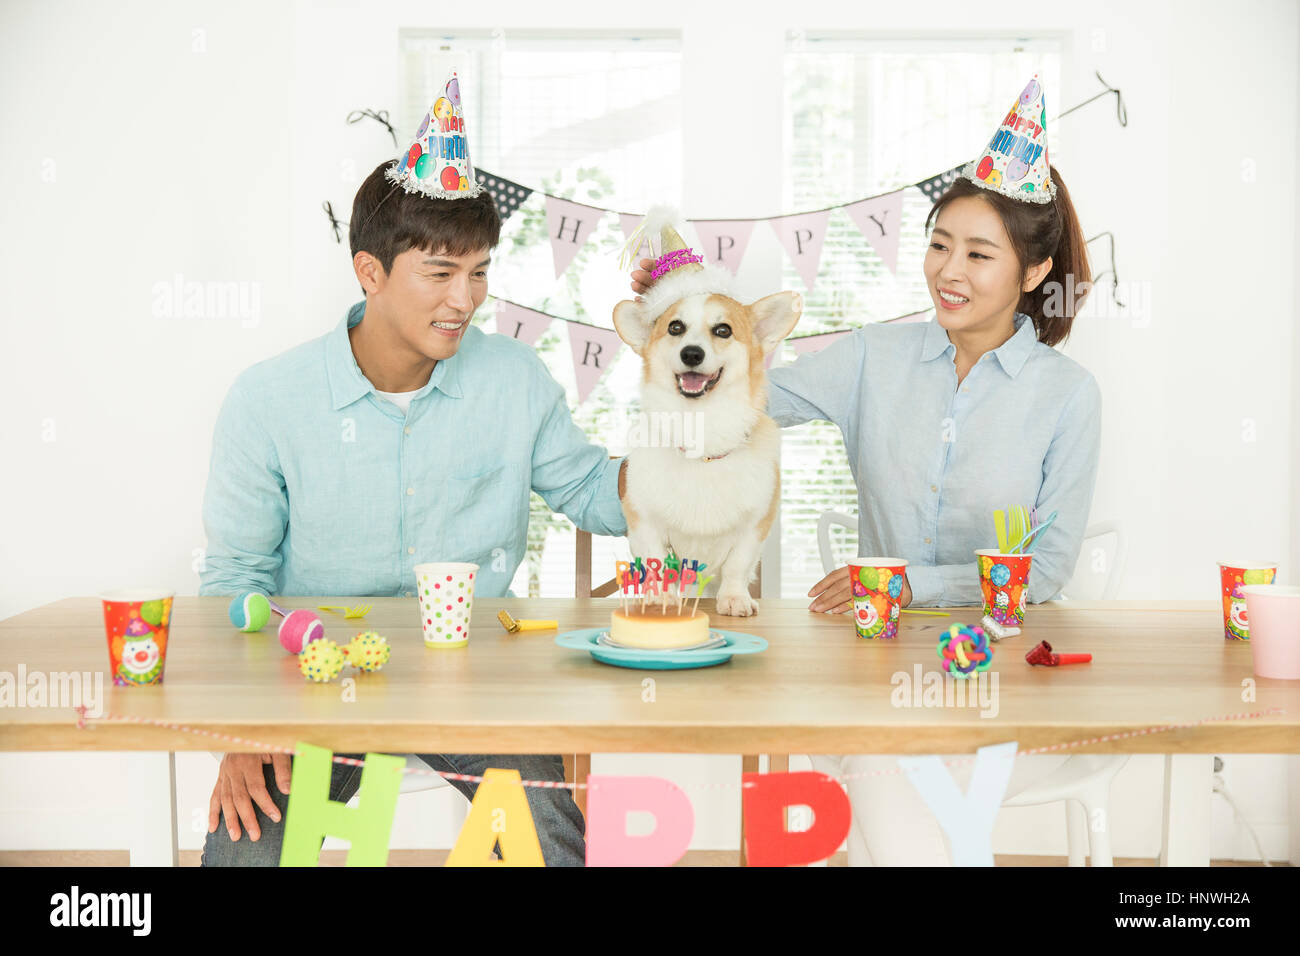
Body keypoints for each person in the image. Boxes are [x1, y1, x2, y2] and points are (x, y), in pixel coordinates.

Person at [632, 75, 1100, 864]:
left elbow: (1046, 569)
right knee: (888, 764)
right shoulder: (872, 361)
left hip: (1007, 669)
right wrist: (689, 323)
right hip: (881, 662)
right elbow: (736, 386)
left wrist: (913, 582)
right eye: (939, 243)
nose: (948, 270)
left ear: (1031, 272)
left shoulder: (1068, 397)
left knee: (891, 772)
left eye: (979, 253)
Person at [199, 74, 625, 866]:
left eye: (481, 272)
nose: (466, 299)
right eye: (440, 272)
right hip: (312, 689)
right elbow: (236, 580)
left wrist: (702, 457)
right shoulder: (268, 401)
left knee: (552, 849)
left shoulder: (515, 380)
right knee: (243, 853)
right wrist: (242, 727)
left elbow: (598, 493)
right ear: (370, 272)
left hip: (479, 692)